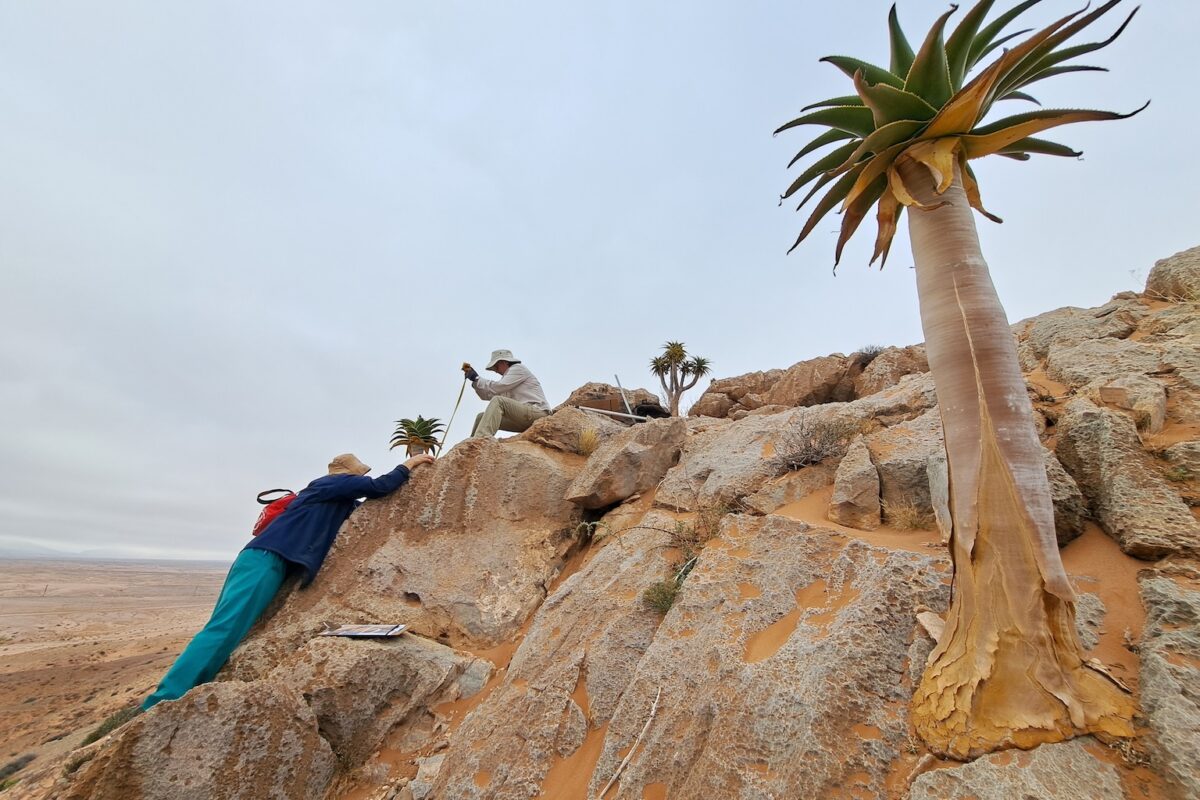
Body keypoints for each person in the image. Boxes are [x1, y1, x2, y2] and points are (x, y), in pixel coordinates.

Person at [141, 452, 435, 710]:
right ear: (350, 475)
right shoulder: (329, 484)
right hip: (266, 558)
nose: (362, 479)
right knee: (223, 630)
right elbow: (379, 488)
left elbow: (362, 514)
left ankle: (187, 692)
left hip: (265, 560)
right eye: (360, 475)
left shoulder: (332, 500)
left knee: (231, 631)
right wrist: (410, 463)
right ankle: (163, 701)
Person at [465, 349, 551, 438]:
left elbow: (497, 388)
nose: (495, 370)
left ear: (504, 362)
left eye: (496, 366)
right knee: (481, 417)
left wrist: (477, 378)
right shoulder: (509, 381)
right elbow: (487, 395)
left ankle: (482, 437)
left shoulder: (518, 368)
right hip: (524, 419)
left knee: (499, 401)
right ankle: (471, 444)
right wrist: (475, 381)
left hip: (538, 413)